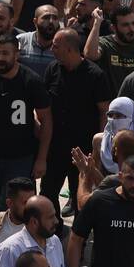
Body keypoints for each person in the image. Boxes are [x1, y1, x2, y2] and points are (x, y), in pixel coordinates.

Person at [0, 35, 52, 209]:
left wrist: (42, 158)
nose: (0, 58)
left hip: (21, 158)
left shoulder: (31, 80)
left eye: (5, 53)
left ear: (17, 54)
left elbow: (46, 120)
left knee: (19, 209)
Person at [41, 29, 112, 219]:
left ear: (70, 49)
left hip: (83, 150)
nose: (52, 49)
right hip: (55, 147)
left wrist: (98, 150)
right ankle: (53, 232)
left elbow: (104, 112)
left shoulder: (95, 75)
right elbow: (43, 105)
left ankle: (78, 239)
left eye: (56, 46)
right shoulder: (52, 69)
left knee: (80, 195)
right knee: (47, 192)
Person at [88, 97, 134, 186]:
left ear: (130, 118)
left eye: (118, 116)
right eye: (110, 115)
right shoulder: (99, 140)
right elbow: (94, 171)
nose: (113, 120)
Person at [84, 2, 134, 94]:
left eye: (133, 23)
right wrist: (97, 22)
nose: (131, 29)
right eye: (125, 25)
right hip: (111, 104)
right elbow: (90, 54)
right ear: (113, 28)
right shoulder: (106, 43)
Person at [17, 5, 60, 79]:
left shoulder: (62, 45)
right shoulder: (21, 41)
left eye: (55, 18)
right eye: (46, 18)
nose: (51, 21)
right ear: (35, 21)